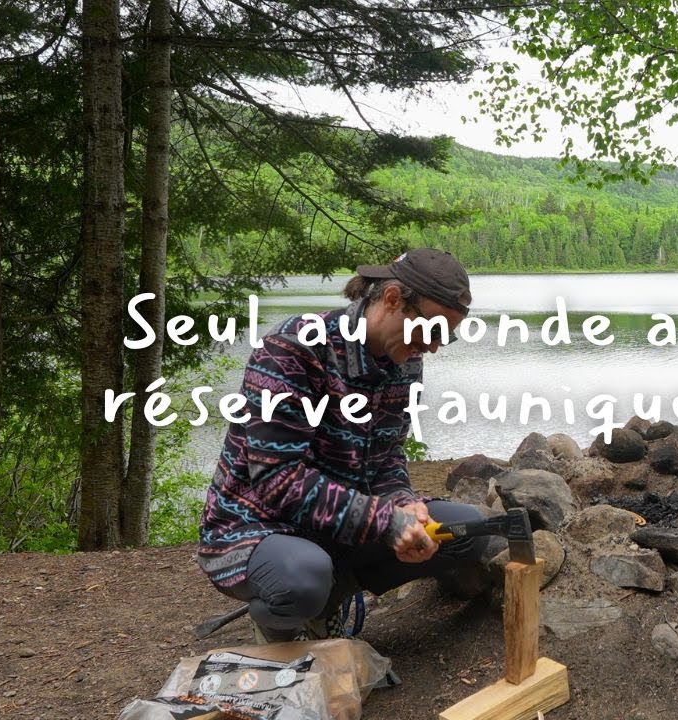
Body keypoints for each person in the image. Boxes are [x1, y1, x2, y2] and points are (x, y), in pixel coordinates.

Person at [197, 248, 490, 642]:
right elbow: (278, 481)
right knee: (303, 579)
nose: (435, 346)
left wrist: (403, 504)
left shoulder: (405, 360)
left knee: (467, 529)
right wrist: (384, 521)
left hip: (343, 526)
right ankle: (285, 613)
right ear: (391, 299)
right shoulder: (291, 350)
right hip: (256, 528)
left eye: (446, 336)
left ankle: (327, 598)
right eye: (433, 330)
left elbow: (387, 459)